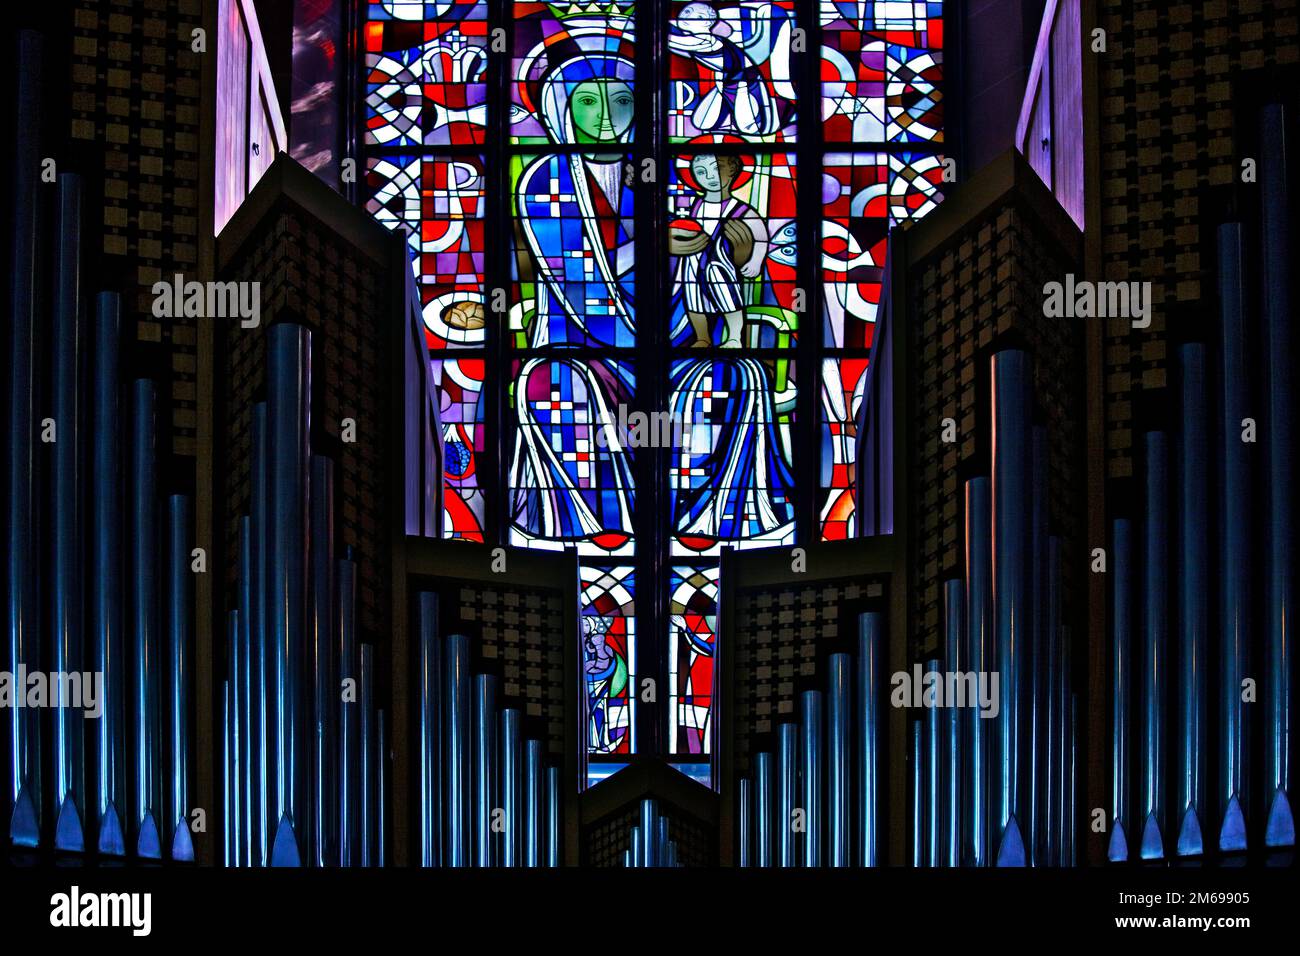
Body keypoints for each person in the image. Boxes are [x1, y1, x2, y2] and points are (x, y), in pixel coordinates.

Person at [670, 153, 768, 347]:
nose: (710, 177)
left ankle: (734, 337)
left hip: (722, 263)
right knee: (694, 300)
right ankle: (702, 338)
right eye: (701, 172)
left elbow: (761, 236)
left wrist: (755, 261)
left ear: (733, 171)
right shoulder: (692, 205)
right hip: (692, 261)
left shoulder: (740, 209)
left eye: (717, 169)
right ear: (694, 177)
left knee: (729, 299)